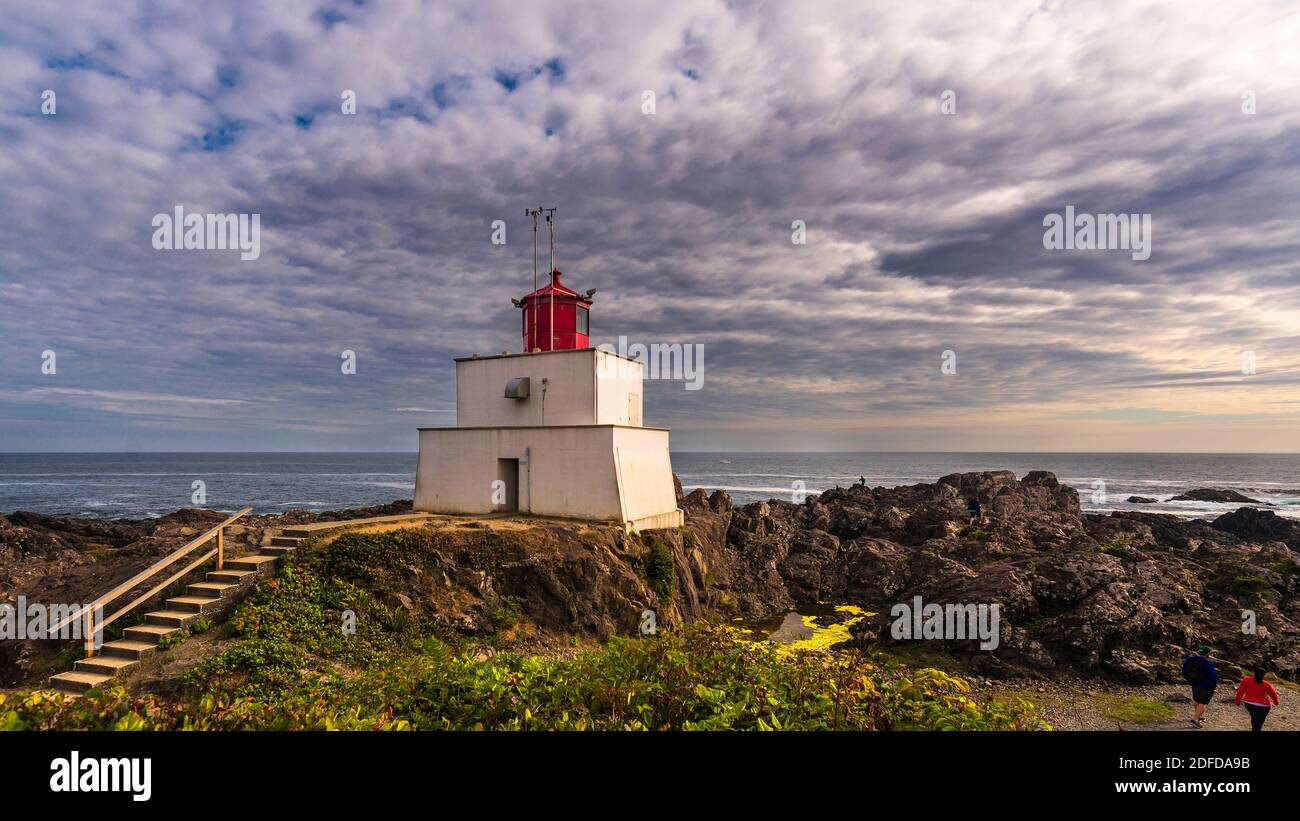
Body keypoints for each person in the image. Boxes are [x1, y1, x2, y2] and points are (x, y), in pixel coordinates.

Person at [1181, 644, 1219, 728]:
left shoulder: (1189, 660)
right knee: (1203, 702)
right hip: (1207, 685)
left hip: (1194, 683)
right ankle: (1195, 720)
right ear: (1207, 654)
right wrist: (1214, 686)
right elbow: (1213, 677)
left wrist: (1190, 680)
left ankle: (1198, 715)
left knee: (1196, 700)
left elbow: (1184, 671)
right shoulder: (1208, 663)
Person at [1234, 667, 1280, 732]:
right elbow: (1273, 695)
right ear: (1264, 675)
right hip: (1264, 707)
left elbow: (1240, 692)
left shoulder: (1246, 680)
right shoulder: (1267, 685)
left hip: (1249, 703)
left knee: (1254, 718)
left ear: (1254, 673)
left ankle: (1255, 728)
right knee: (1258, 723)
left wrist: (1237, 701)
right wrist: (1276, 702)